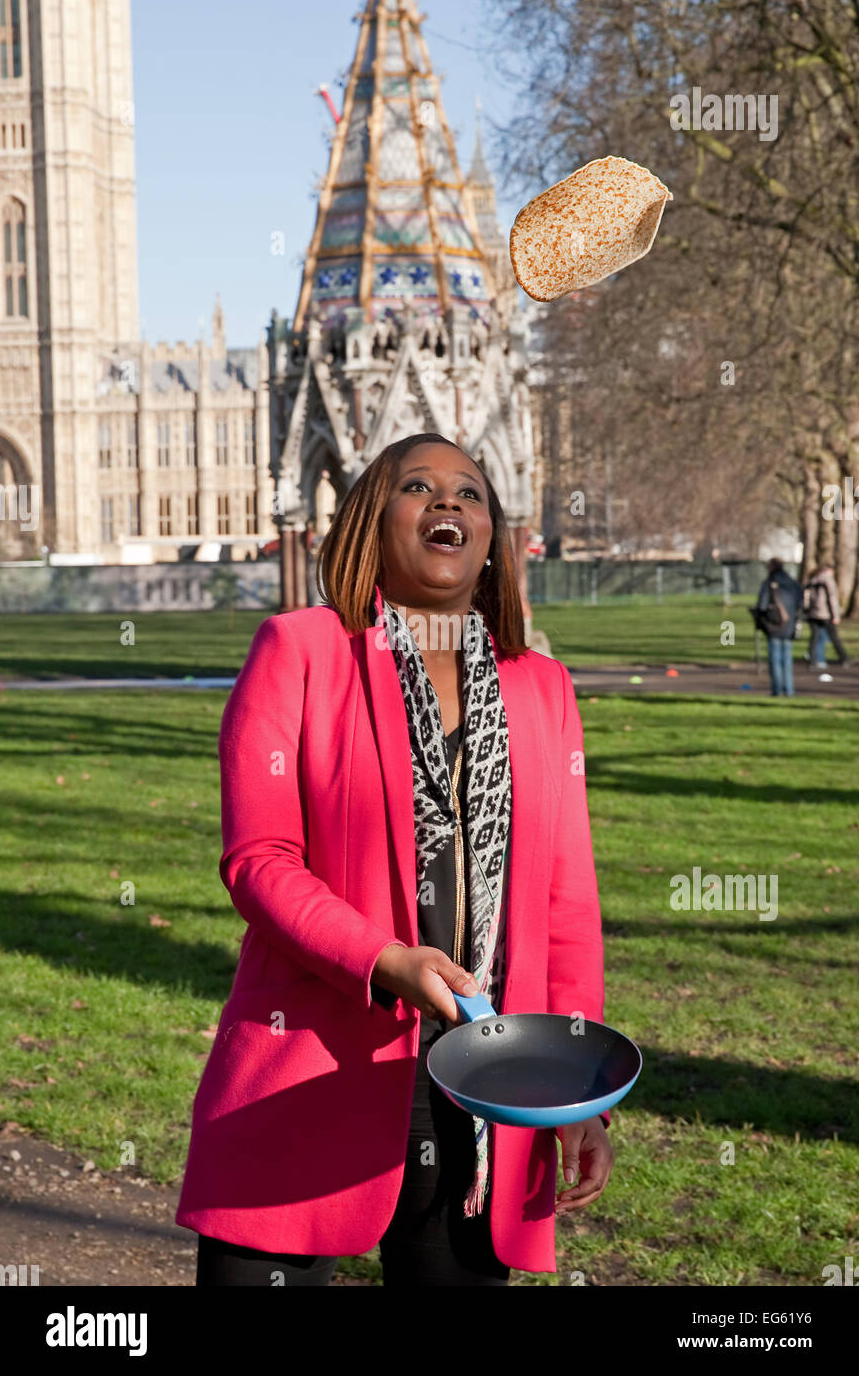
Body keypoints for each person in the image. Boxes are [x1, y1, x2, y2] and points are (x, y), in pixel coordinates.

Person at [175, 432, 613, 1286]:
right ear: (373, 523)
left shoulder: (542, 687)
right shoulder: (299, 650)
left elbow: (567, 904)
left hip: (489, 1083)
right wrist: (387, 961)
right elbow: (259, 859)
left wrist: (574, 1093)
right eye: (419, 487)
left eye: (471, 494)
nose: (449, 503)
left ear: (494, 538)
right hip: (309, 1064)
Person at [756, 557, 804, 697]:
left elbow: (762, 605)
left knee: (775, 659)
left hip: (773, 625)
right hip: (789, 625)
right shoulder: (793, 583)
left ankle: (777, 690)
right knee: (787, 659)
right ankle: (789, 690)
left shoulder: (769, 583)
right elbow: (800, 604)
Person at [803, 564, 850, 670]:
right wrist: (835, 615)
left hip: (813, 613)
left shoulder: (812, 580)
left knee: (814, 638)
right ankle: (844, 658)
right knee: (834, 637)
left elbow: (806, 596)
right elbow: (832, 599)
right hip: (826, 614)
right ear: (828, 571)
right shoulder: (828, 581)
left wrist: (806, 610)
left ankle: (813, 661)